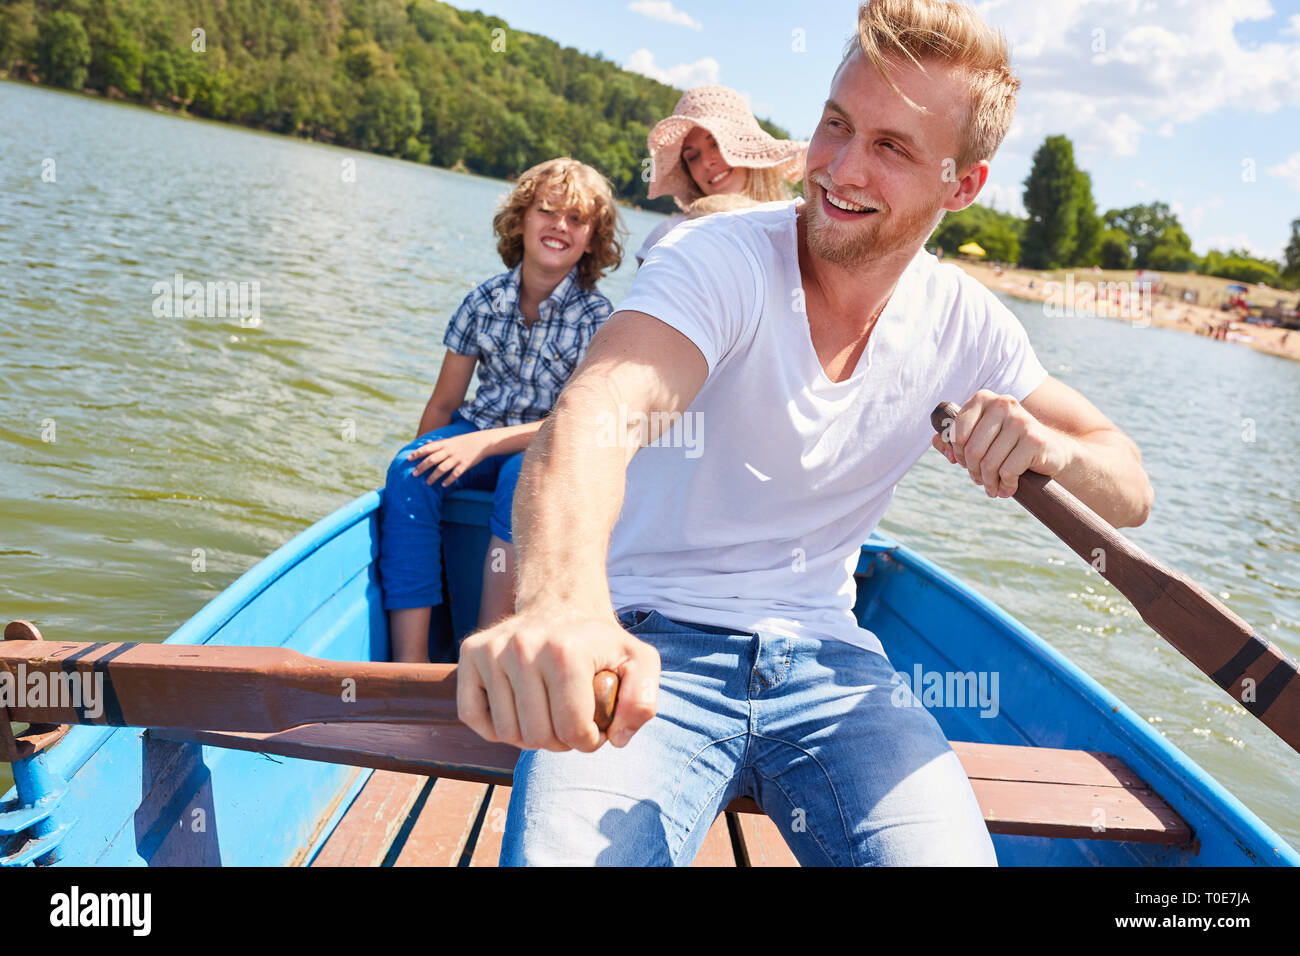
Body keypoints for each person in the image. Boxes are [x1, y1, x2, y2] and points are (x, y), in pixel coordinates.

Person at [459, 0, 1155, 865]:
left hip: (835, 669)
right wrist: (564, 605)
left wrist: (1050, 449)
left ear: (962, 186)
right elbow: (597, 414)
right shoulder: (718, 261)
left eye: (892, 147)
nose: (839, 168)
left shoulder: (966, 324)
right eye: (836, 125)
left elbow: (1129, 487)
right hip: (643, 644)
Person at [379, 157, 624, 663]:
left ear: (592, 239)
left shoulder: (599, 318)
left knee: (522, 477)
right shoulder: (483, 301)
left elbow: (574, 422)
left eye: (576, 220)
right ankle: (410, 662)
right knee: (409, 469)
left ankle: (485, 654)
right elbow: (445, 403)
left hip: (545, 445)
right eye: (547, 211)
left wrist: (483, 443)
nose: (559, 225)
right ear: (521, 220)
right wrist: (422, 461)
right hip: (480, 425)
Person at [635, 85, 807, 265]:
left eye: (716, 143)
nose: (706, 162)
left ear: (746, 147)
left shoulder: (799, 231)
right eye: (692, 157)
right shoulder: (670, 236)